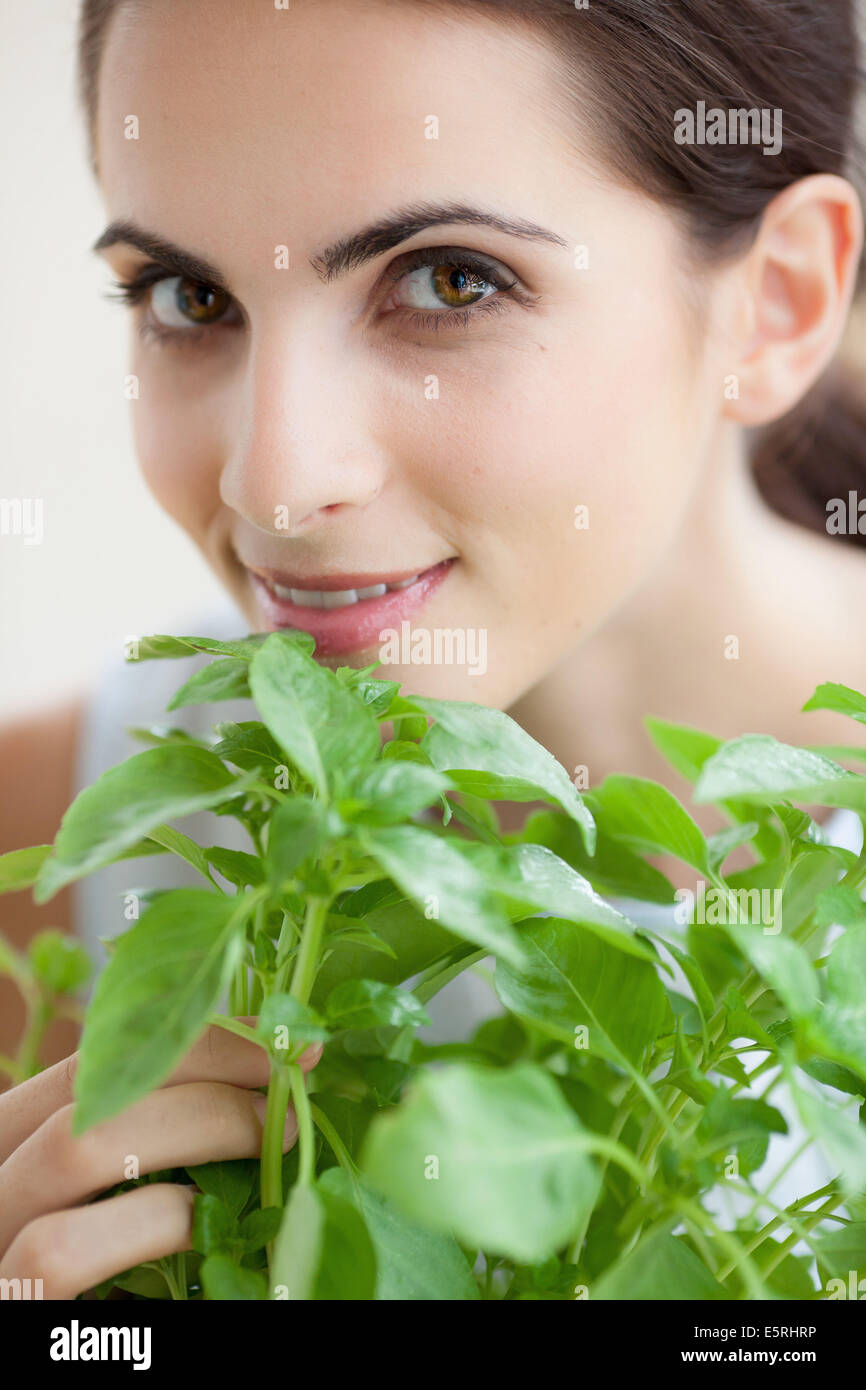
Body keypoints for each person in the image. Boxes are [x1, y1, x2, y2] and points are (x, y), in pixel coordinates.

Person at [1, 0, 864, 1298]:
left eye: (447, 280)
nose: (274, 478)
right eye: (188, 296)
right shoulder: (51, 840)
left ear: (774, 304)